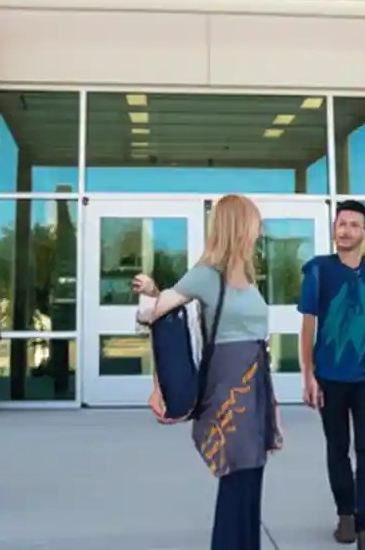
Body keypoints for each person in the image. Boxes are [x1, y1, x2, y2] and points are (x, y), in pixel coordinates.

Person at [134, 194, 283, 550]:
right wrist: (154, 293)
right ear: (238, 226)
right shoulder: (205, 275)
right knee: (236, 474)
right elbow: (153, 313)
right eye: (255, 223)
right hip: (227, 389)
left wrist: (272, 404)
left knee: (252, 473)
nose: (259, 231)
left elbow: (258, 341)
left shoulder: (247, 275)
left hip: (256, 384)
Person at [298, 200, 365, 549]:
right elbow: (308, 327)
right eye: (341, 224)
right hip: (330, 378)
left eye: (353, 224)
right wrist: (309, 375)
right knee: (337, 448)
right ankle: (346, 515)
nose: (345, 230)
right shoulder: (318, 270)